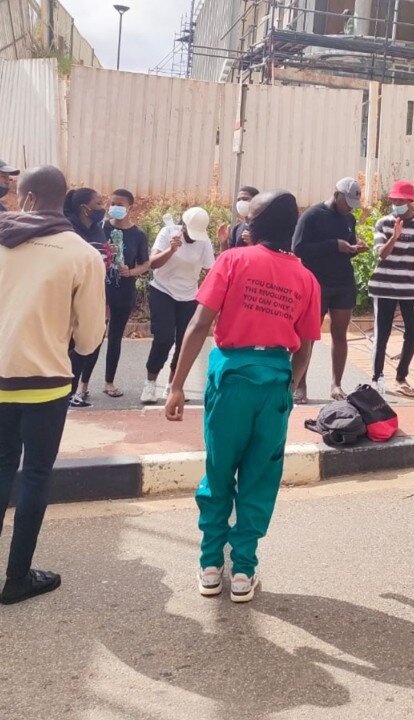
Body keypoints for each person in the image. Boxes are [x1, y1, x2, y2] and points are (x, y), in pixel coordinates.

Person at [164, 189, 321, 603]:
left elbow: (199, 326)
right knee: (259, 476)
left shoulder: (232, 261)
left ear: (251, 229)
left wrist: (177, 385)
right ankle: (243, 572)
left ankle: (211, 566)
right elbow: (305, 346)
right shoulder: (307, 278)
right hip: (274, 383)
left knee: (218, 471)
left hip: (230, 378)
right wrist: (289, 387)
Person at [0, 165, 106, 604]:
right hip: (47, 379)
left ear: (24, 197)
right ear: (63, 198)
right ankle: (17, 578)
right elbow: (89, 337)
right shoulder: (80, 253)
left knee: (1, 466)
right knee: (35, 475)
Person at [292, 177, 367, 403]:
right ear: (336, 195)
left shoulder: (349, 219)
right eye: (347, 203)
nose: (349, 209)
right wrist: (334, 245)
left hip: (342, 282)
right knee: (308, 335)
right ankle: (299, 384)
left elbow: (347, 245)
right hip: (316, 282)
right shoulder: (312, 216)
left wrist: (355, 249)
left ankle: (336, 385)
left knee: (340, 334)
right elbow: (298, 248)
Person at [78, 189, 151, 399]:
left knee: (116, 338)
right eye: (111, 203)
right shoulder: (99, 228)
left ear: (130, 207)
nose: (113, 207)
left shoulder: (138, 234)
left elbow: (145, 263)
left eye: (119, 204)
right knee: (94, 338)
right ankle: (83, 383)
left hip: (124, 292)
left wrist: (131, 271)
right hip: (100, 291)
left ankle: (109, 382)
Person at [140, 207, 217, 404]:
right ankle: (150, 383)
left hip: (189, 295)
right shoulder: (168, 233)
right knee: (164, 337)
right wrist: (171, 249)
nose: (192, 238)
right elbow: (153, 263)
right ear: (183, 226)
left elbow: (211, 271)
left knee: (185, 341)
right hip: (162, 290)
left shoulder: (204, 241)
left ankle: (173, 385)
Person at [370, 180, 414, 398]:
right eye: (394, 200)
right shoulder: (383, 223)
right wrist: (395, 237)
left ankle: (401, 377)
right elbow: (381, 254)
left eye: (400, 200)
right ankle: (377, 377)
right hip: (384, 285)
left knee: (413, 332)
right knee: (382, 334)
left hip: (409, 286)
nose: (396, 203)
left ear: (410, 201)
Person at [65, 187, 108, 408]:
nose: (103, 208)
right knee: (71, 347)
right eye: (99, 204)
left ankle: (74, 390)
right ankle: (65, 392)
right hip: (70, 299)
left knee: (89, 342)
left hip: (93, 295)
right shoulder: (69, 229)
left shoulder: (97, 229)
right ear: (84, 208)